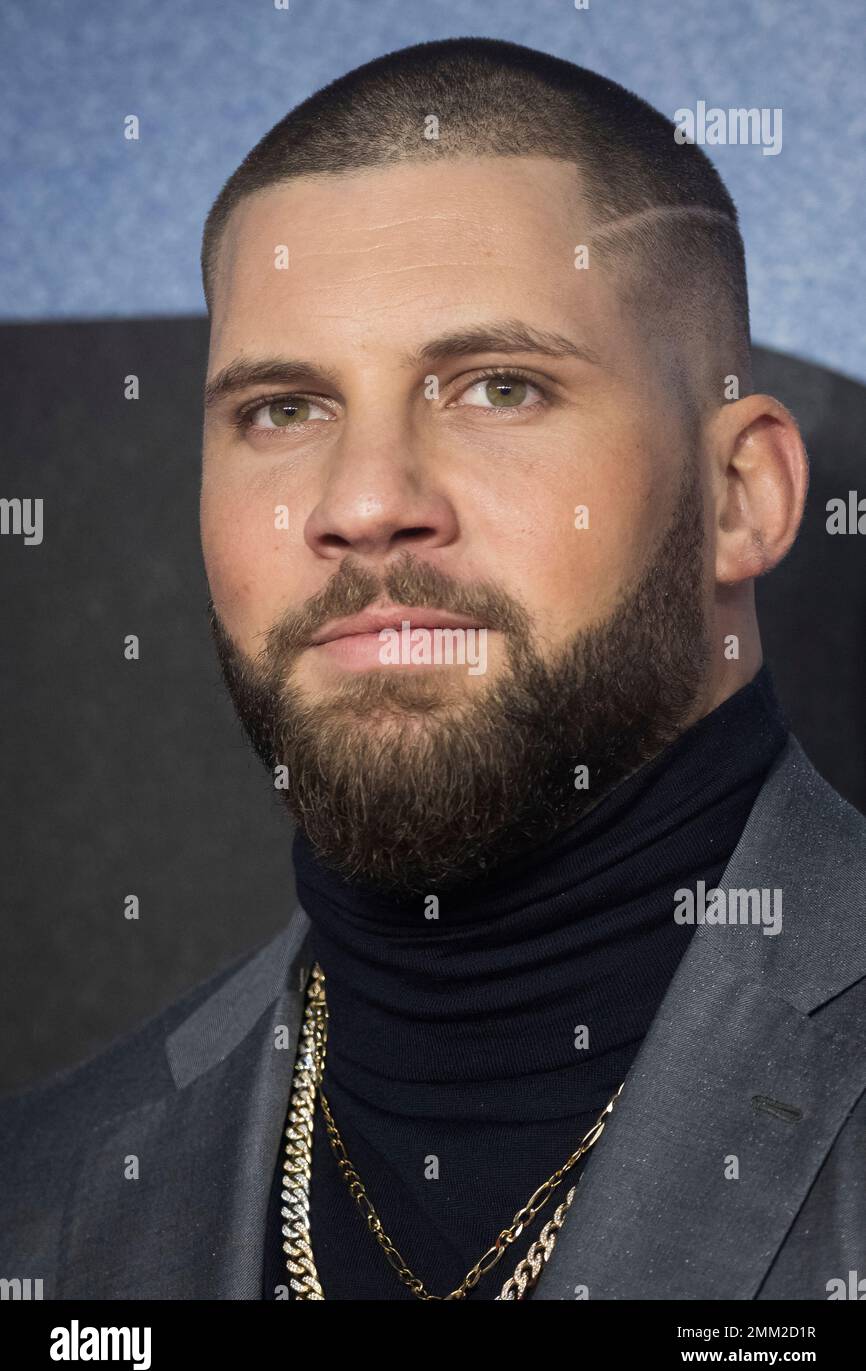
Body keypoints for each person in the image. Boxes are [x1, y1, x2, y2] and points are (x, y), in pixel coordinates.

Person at [1, 37, 863, 1302]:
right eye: (282, 410)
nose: (361, 502)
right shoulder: (43, 1197)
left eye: (496, 387)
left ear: (740, 496)